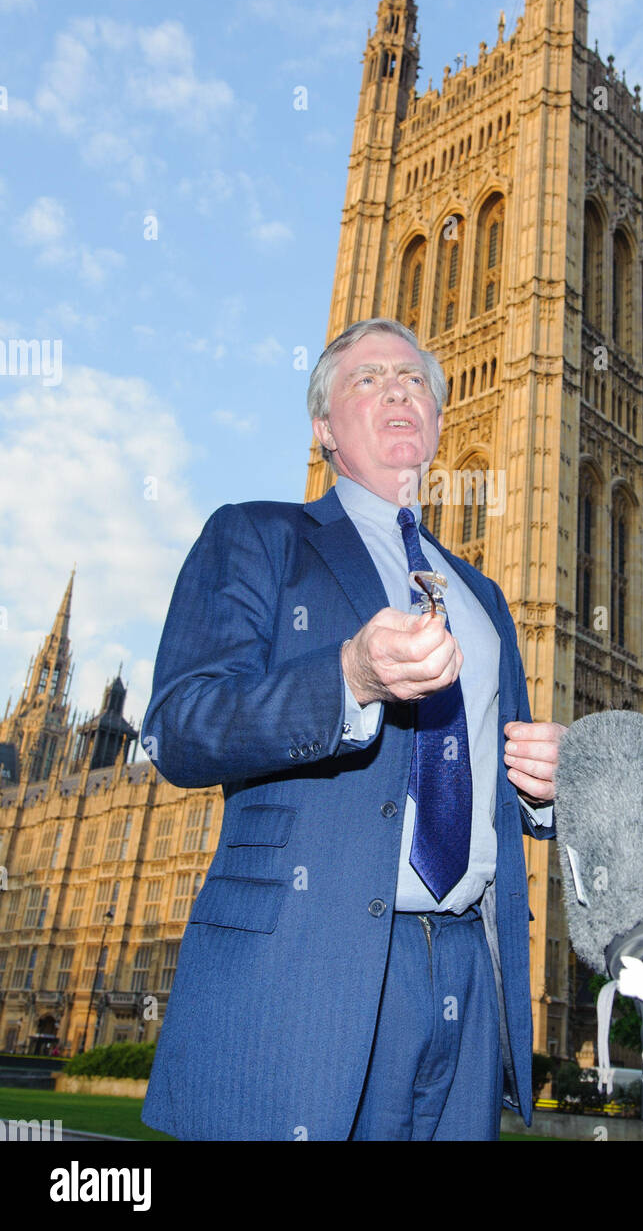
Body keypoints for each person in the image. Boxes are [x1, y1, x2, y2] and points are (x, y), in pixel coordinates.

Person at [140, 318, 563, 1141]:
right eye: (368, 379)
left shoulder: (486, 602)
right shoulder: (260, 536)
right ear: (325, 429)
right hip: (310, 961)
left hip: (470, 969)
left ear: (440, 424)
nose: (399, 389)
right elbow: (177, 727)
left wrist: (543, 791)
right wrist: (346, 678)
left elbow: (478, 782)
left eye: (415, 381)